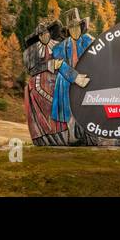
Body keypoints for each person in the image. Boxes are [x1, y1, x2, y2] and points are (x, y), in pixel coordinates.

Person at [50, 8, 92, 144]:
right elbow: (59, 63)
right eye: (72, 28)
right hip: (68, 83)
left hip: (87, 81)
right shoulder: (60, 48)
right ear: (68, 31)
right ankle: (71, 136)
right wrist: (75, 77)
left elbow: (98, 56)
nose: (75, 31)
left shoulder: (88, 41)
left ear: (81, 27)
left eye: (77, 27)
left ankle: (88, 134)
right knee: (69, 109)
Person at [23, 21, 65, 145]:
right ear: (39, 37)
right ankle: (43, 134)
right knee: (42, 102)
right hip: (39, 82)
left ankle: (60, 133)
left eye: (46, 33)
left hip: (55, 79)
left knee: (59, 104)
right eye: (41, 35)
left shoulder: (57, 45)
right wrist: (50, 65)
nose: (45, 36)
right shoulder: (32, 51)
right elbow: (32, 69)